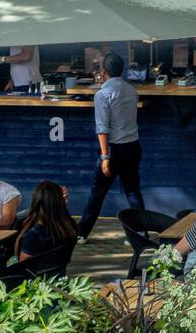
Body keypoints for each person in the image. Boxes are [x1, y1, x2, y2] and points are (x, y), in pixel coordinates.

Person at [77, 52, 145, 241]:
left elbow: (102, 128)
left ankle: (82, 233)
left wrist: (105, 157)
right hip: (132, 146)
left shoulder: (102, 95)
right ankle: (140, 231)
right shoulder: (132, 91)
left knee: (97, 192)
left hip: (113, 149)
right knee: (132, 191)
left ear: (104, 71)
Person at [16, 181, 78, 263]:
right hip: (58, 274)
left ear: (35, 201)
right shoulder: (70, 227)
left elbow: (24, 266)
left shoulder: (34, 234)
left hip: (36, 275)